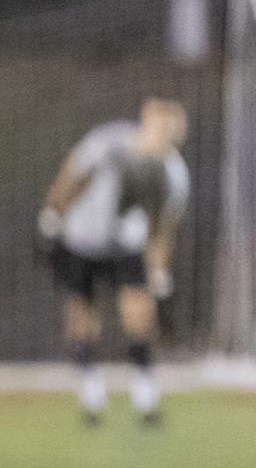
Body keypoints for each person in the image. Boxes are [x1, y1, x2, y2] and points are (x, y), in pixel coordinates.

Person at [38, 98, 189, 427]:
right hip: (81, 239)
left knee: (138, 317)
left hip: (125, 246)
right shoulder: (109, 142)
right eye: (161, 126)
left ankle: (145, 399)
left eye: (173, 131)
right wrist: (51, 218)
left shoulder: (174, 175)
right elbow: (72, 176)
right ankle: (92, 397)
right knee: (81, 319)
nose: (166, 135)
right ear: (146, 120)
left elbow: (161, 228)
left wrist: (159, 276)